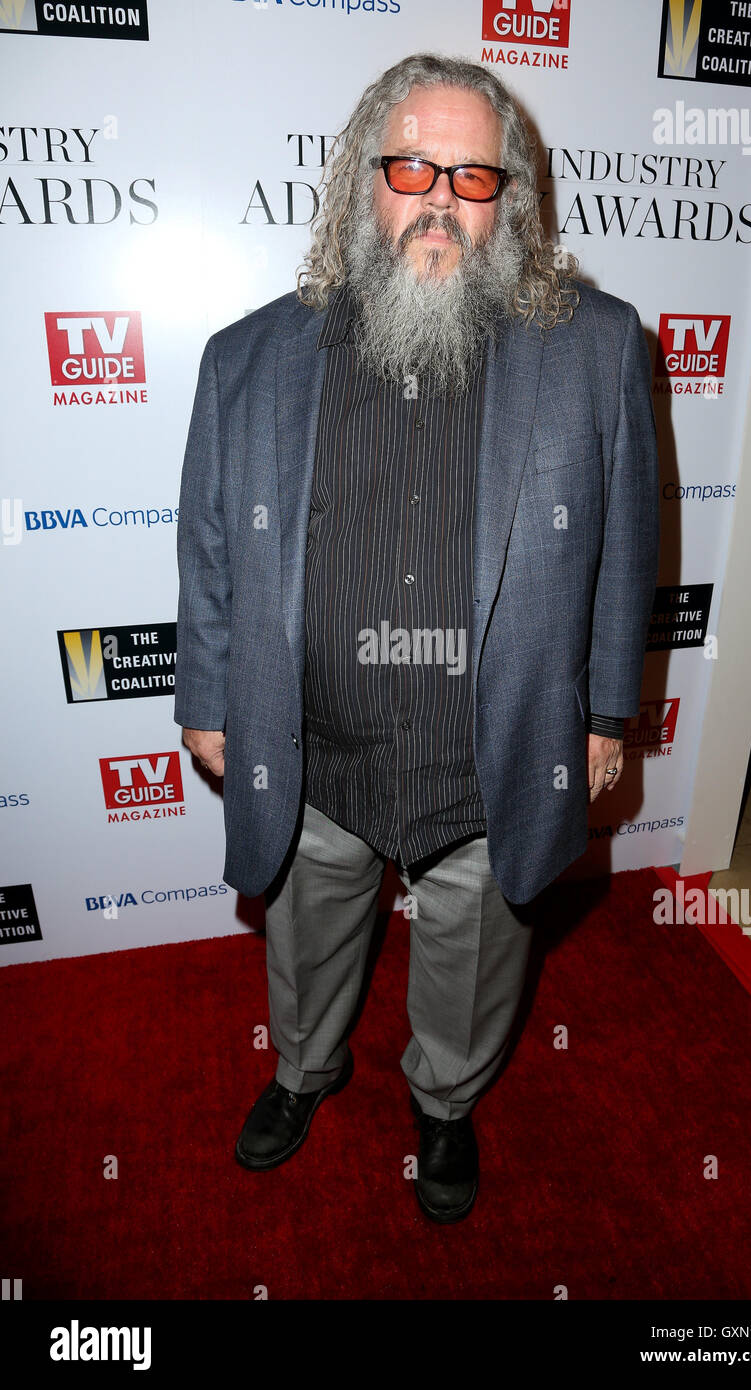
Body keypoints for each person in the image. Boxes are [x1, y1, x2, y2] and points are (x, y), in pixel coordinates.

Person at [173, 52, 660, 1224]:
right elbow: (208, 548)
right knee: (307, 934)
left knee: (476, 954)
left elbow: (627, 549)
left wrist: (601, 716)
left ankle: (444, 1103)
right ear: (360, 183)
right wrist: (207, 694)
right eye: (410, 166)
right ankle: (303, 1069)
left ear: (513, 199)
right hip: (316, 744)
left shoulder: (596, 348)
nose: (441, 198)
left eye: (474, 176)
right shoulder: (247, 360)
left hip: (493, 749)